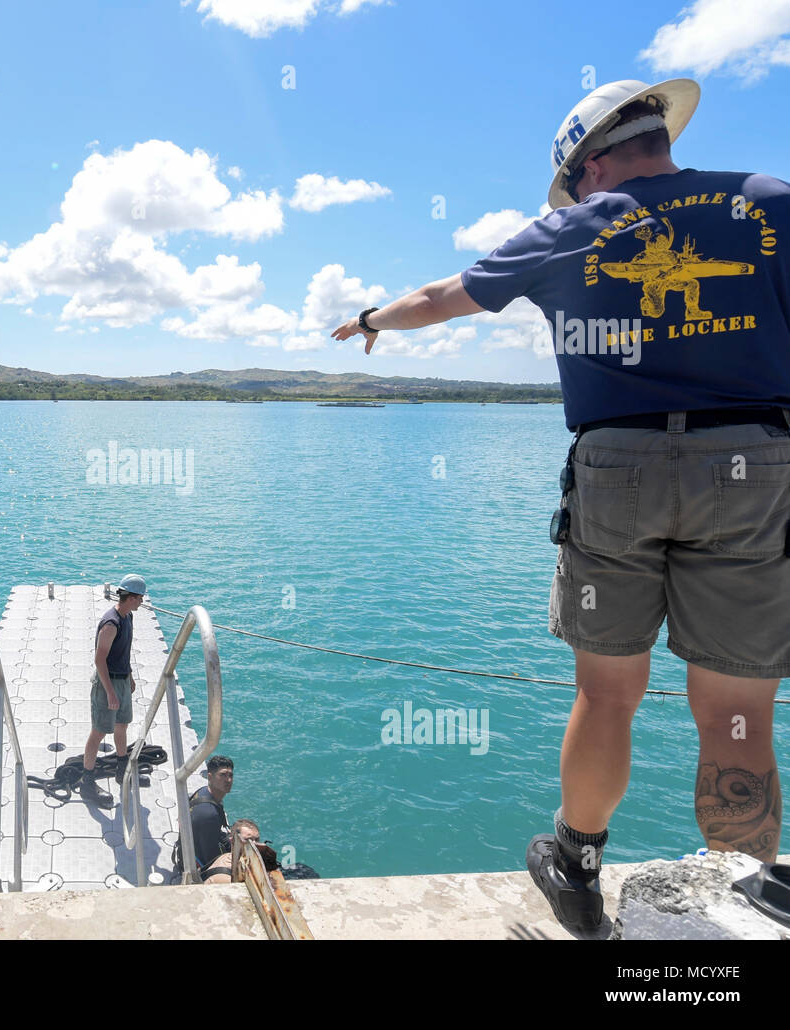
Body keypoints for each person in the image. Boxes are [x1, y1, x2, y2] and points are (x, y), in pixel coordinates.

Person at [333, 78, 790, 934]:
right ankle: (752, 895)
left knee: (607, 692)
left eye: (573, 184)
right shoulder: (766, 200)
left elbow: (438, 298)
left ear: (591, 166)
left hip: (616, 464)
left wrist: (371, 319)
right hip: (752, 463)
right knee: (739, 711)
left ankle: (576, 865)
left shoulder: (572, 229)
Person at [79, 574, 146, 807]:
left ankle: (121, 770)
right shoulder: (111, 623)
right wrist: (110, 692)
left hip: (122, 680)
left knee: (122, 725)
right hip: (107, 683)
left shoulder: (128, 617)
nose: (142, 602)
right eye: (140, 598)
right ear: (132, 597)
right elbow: (100, 660)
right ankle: (87, 783)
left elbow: (123, 652)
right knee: (98, 732)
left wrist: (130, 677)